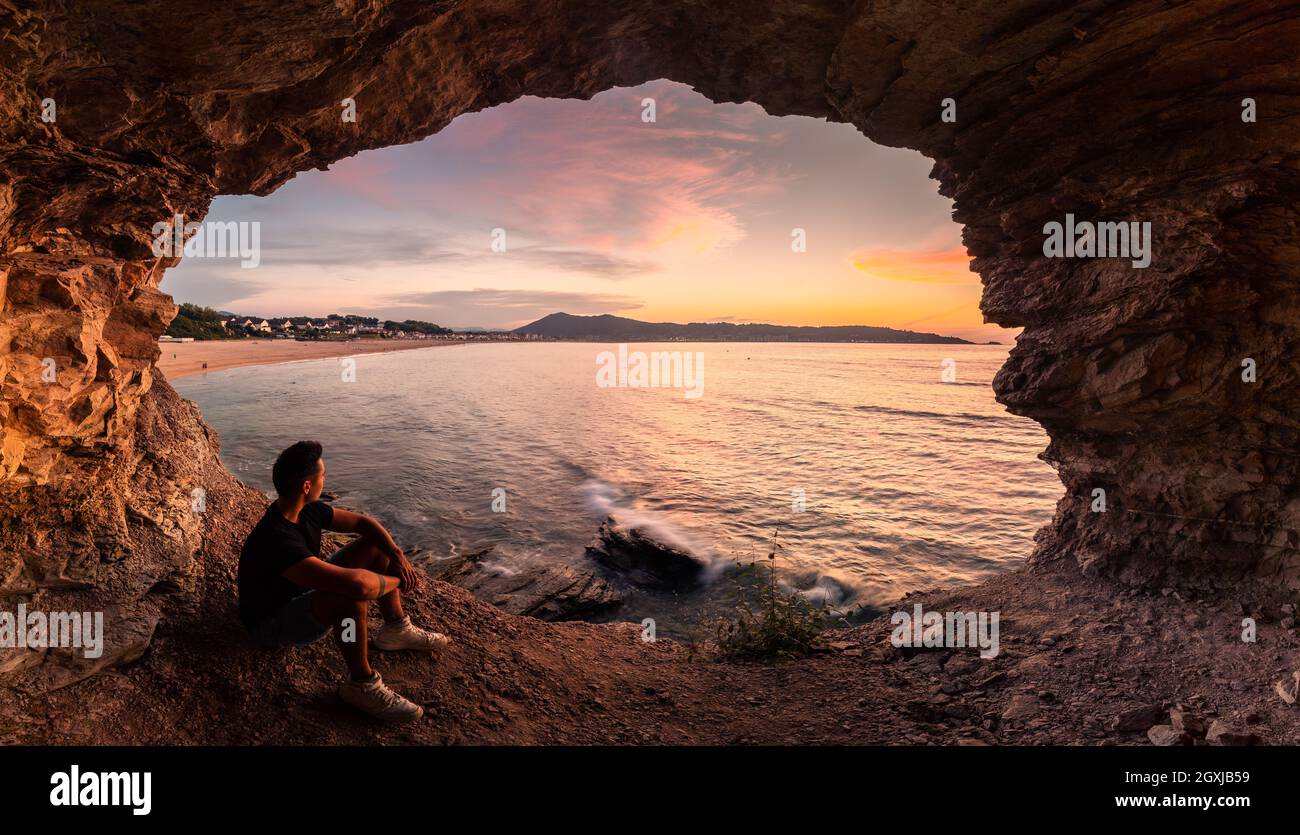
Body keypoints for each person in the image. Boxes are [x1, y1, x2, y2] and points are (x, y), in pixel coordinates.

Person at [237, 440, 449, 722]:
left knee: (375, 547)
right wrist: (398, 580)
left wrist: (396, 554)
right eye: (322, 476)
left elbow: (363, 524)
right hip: (271, 623)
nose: (326, 480)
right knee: (348, 599)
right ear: (306, 486)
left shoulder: (305, 509)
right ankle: (361, 684)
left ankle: (395, 629)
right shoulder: (277, 537)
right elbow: (359, 586)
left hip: (299, 589)